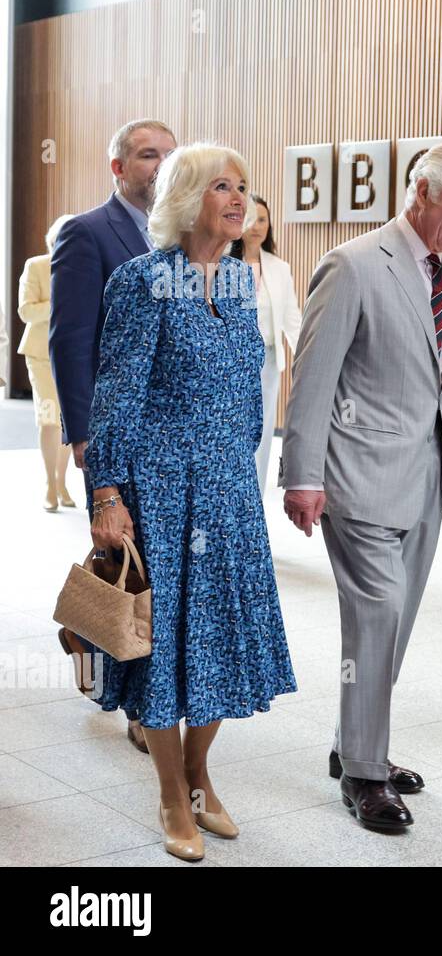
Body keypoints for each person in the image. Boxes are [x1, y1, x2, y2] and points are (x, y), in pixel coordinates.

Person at [85, 143, 297, 861]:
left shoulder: (241, 282)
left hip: (230, 486)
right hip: (160, 488)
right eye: (220, 188)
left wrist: (247, 462)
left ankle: (200, 774)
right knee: (164, 643)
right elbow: (116, 394)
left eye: (242, 186)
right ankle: (172, 793)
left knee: (225, 636)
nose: (237, 199)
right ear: (184, 199)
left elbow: (248, 388)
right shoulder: (143, 281)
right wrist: (108, 494)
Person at [279, 142, 442, 832]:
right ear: (422, 191)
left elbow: (438, 379)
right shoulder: (354, 265)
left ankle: (354, 744)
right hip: (358, 477)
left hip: (428, 478)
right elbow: (313, 379)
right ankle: (366, 776)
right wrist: (303, 475)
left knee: (393, 624)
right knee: (376, 616)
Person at [49, 117, 177, 753]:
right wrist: (82, 437)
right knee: (127, 561)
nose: (159, 166)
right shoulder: (87, 232)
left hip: (173, 440)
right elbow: (70, 340)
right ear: (118, 168)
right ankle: (131, 698)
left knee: (149, 565)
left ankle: (97, 646)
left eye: (169, 156)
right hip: (112, 431)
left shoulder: (181, 241)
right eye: (147, 155)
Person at [230, 195, 301, 495]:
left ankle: (254, 498)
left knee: (262, 431)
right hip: (230, 362)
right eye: (251, 218)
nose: (257, 226)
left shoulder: (279, 267)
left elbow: (292, 319)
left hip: (268, 362)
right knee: (232, 431)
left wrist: (309, 361)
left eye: (263, 219)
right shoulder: (221, 264)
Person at [17, 214, 76, 512]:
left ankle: (62, 481)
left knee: (67, 419)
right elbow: (25, 311)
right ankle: (49, 485)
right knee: (50, 416)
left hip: (70, 353)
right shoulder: (35, 266)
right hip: (40, 353)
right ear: (53, 241)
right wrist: (58, 304)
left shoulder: (80, 268)